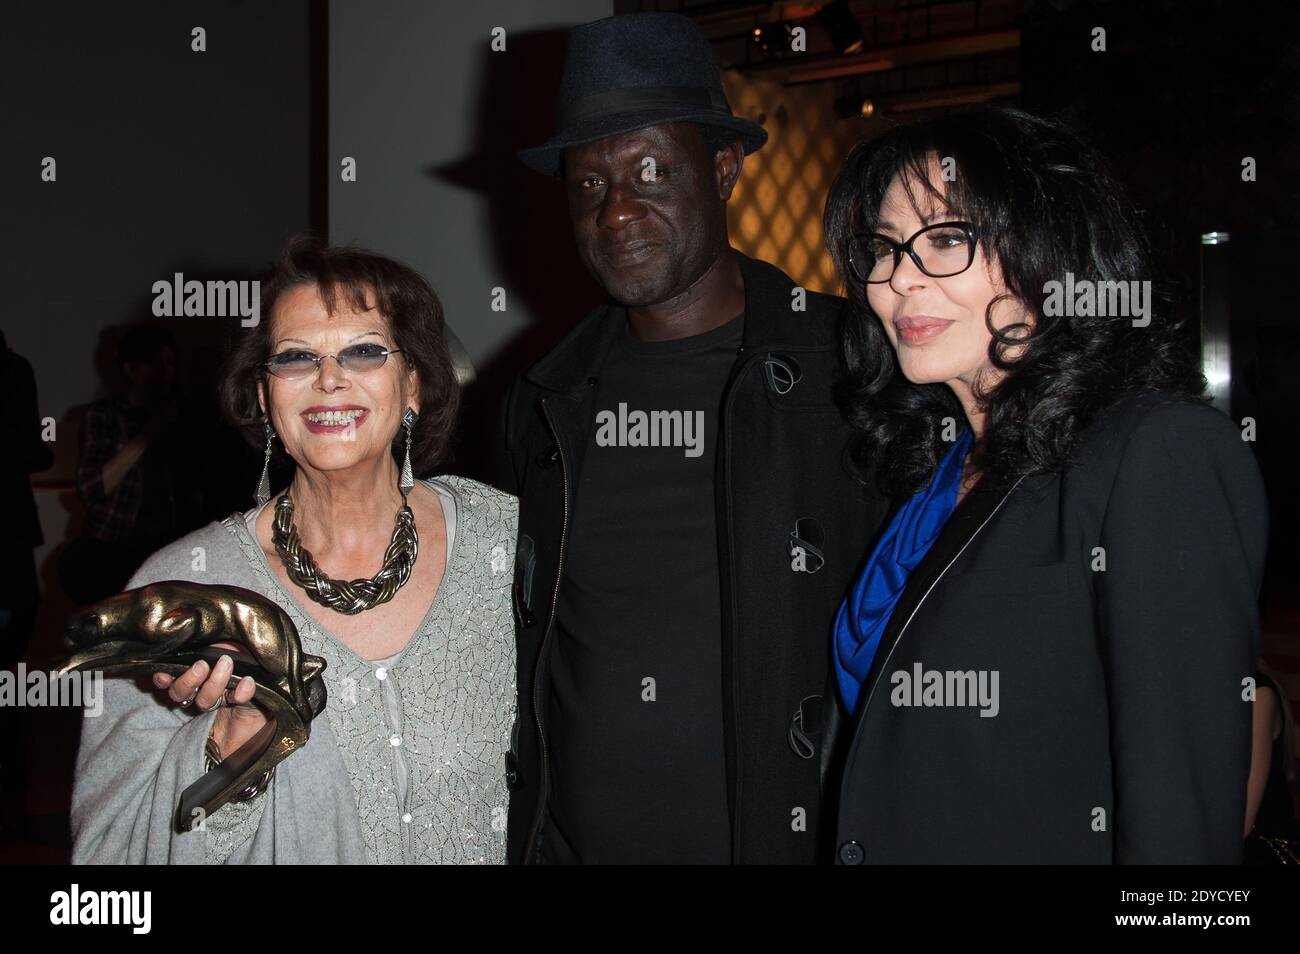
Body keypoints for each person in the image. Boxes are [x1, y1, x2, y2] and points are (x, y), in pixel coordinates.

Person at [821, 107, 1268, 864]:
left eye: (947, 239)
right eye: (883, 247)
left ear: (1052, 252)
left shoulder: (1155, 453)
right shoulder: (934, 472)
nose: (896, 278)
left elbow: (1180, 831)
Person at [499, 11, 888, 864]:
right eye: (590, 184)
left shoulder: (852, 367)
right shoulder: (544, 399)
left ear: (723, 170)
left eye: (649, 170)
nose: (619, 211)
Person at [71, 238, 518, 863]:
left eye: (364, 352)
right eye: (295, 358)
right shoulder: (178, 589)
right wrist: (232, 749)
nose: (330, 378)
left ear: (413, 385)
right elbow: (113, 866)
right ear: (262, 395)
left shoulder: (508, 542)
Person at [63, 326, 207, 605]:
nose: (165, 373)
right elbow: (92, 488)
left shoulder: (188, 416)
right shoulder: (106, 415)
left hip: (168, 550)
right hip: (112, 550)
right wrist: (148, 433)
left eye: (170, 363)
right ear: (130, 369)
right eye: (155, 364)